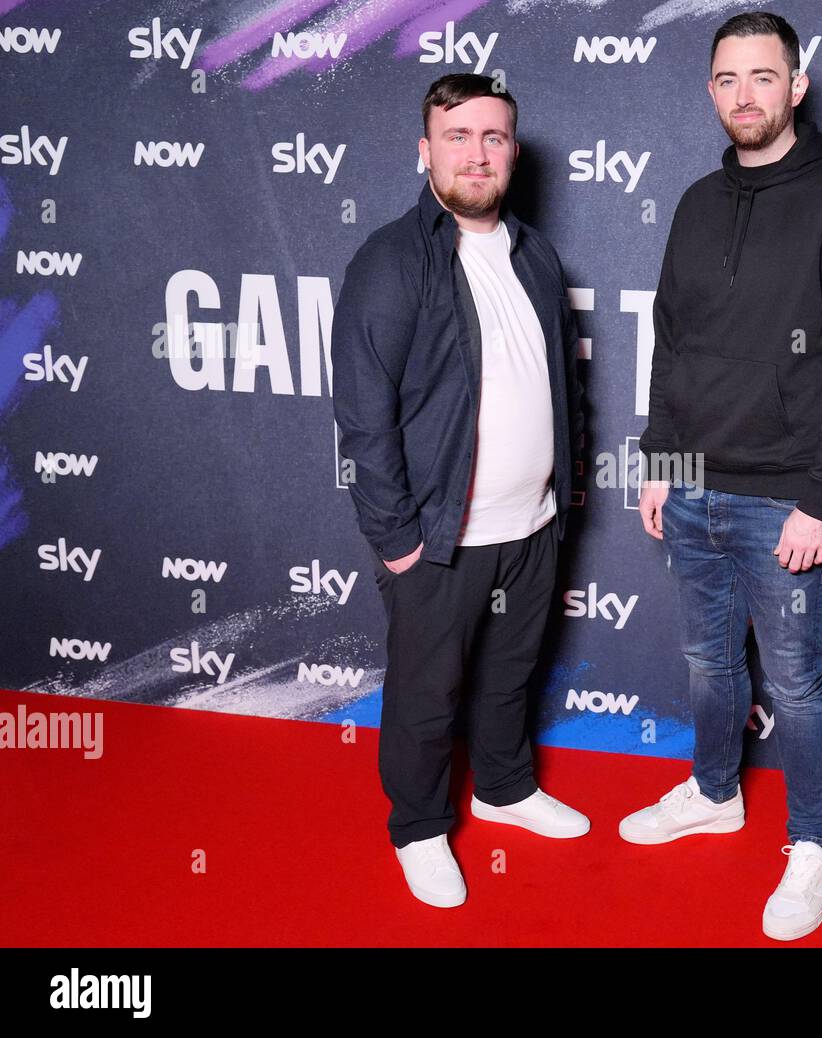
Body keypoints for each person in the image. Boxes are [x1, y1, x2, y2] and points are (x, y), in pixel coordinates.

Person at [626, 11, 822, 941]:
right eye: (728, 79)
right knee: (708, 662)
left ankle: (813, 846)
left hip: (786, 494)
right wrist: (662, 460)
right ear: (713, 93)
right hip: (693, 482)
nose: (746, 95)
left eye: (763, 76)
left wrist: (821, 496)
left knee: (795, 685)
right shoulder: (699, 202)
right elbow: (671, 342)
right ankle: (714, 793)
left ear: (797, 85)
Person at [331, 73, 589, 909]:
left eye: (493, 138)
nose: (476, 154)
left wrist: (564, 495)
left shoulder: (535, 252)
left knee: (511, 677)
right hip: (441, 536)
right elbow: (364, 416)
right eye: (457, 137)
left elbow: (558, 385)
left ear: (512, 151)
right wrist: (397, 536)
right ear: (425, 150)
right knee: (425, 693)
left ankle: (505, 789)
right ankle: (418, 827)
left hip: (533, 525)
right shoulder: (391, 260)